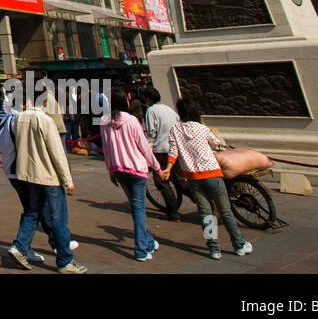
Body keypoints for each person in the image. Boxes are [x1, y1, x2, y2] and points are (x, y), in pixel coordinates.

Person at [163, 99, 252, 260]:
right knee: (226, 212)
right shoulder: (201, 128)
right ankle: (239, 244)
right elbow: (216, 143)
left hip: (193, 178)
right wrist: (204, 125)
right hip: (212, 174)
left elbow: (173, 151)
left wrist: (168, 168)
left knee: (206, 214)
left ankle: (214, 249)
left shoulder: (174, 130)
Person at [10, 86, 86, 273]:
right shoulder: (45, 120)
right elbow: (57, 153)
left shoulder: (19, 118)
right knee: (58, 218)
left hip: (29, 174)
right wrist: (68, 180)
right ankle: (65, 261)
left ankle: (20, 247)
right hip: (49, 176)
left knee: (32, 212)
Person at [102, 85, 163, 262]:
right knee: (138, 209)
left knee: (136, 208)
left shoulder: (104, 121)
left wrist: (111, 170)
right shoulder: (131, 120)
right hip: (136, 169)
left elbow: (107, 150)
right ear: (124, 101)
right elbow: (144, 146)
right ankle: (141, 249)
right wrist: (157, 167)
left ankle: (149, 242)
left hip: (119, 170)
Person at [143, 86, 181, 220]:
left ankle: (173, 212)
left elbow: (151, 132)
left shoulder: (151, 111)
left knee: (161, 181)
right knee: (179, 179)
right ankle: (199, 198)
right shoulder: (169, 109)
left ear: (148, 99)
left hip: (161, 149)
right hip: (175, 147)